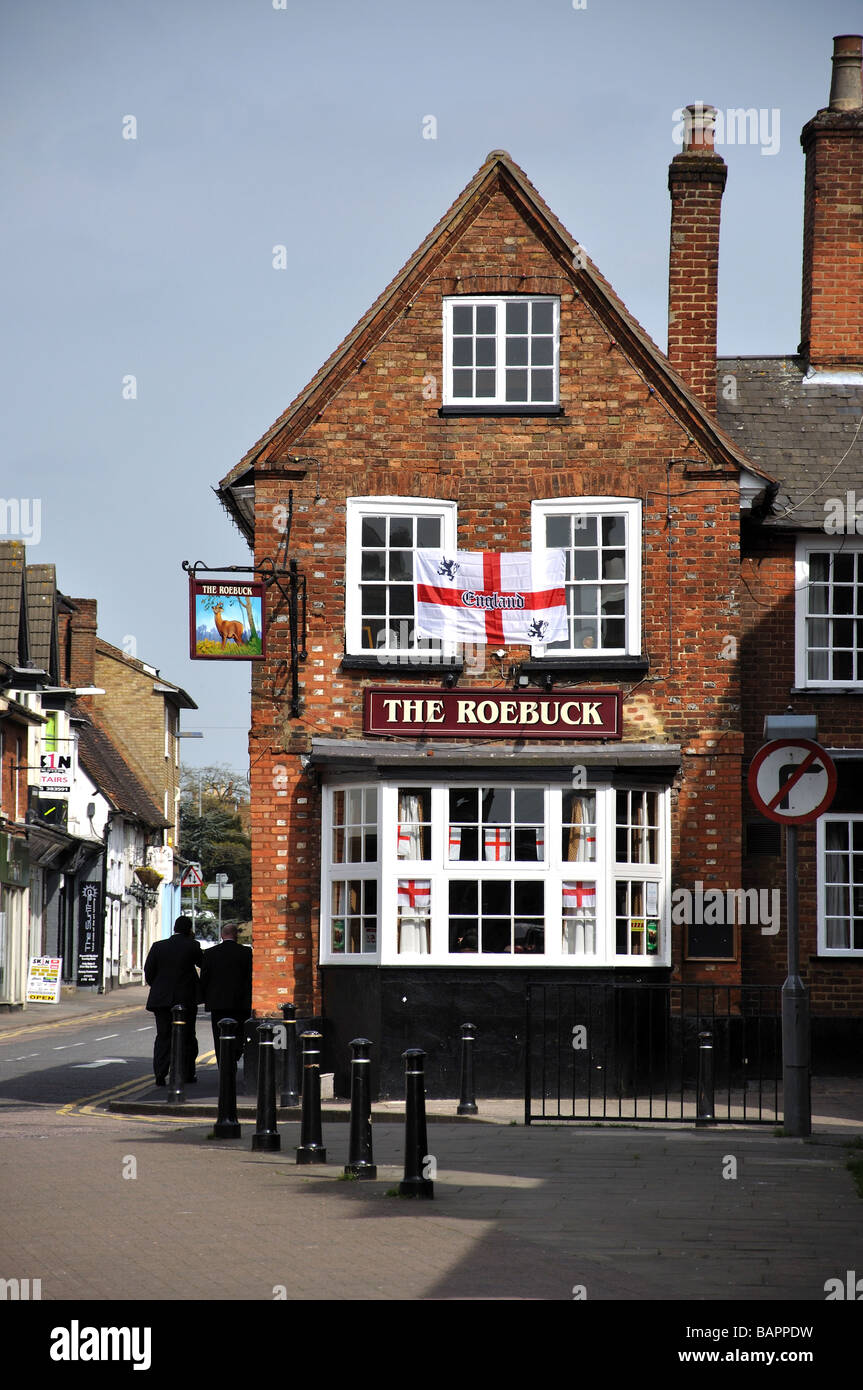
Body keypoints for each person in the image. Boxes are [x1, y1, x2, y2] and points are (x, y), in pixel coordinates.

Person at [144, 916, 203, 1085]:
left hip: (161, 1000)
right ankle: (187, 1074)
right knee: (188, 1037)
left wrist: (159, 987)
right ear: (188, 929)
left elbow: (149, 972)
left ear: (174, 928)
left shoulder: (158, 946)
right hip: (186, 1000)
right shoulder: (192, 945)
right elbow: (203, 964)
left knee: (163, 1036)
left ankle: (160, 1075)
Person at [200, 924, 253, 1066]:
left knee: (219, 1037)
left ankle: (224, 1065)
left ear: (222, 935)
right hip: (240, 1004)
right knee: (239, 1034)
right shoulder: (246, 952)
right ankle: (235, 1054)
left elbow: (204, 979)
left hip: (217, 1004)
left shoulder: (210, 953)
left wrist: (203, 997)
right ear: (236, 936)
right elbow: (250, 978)